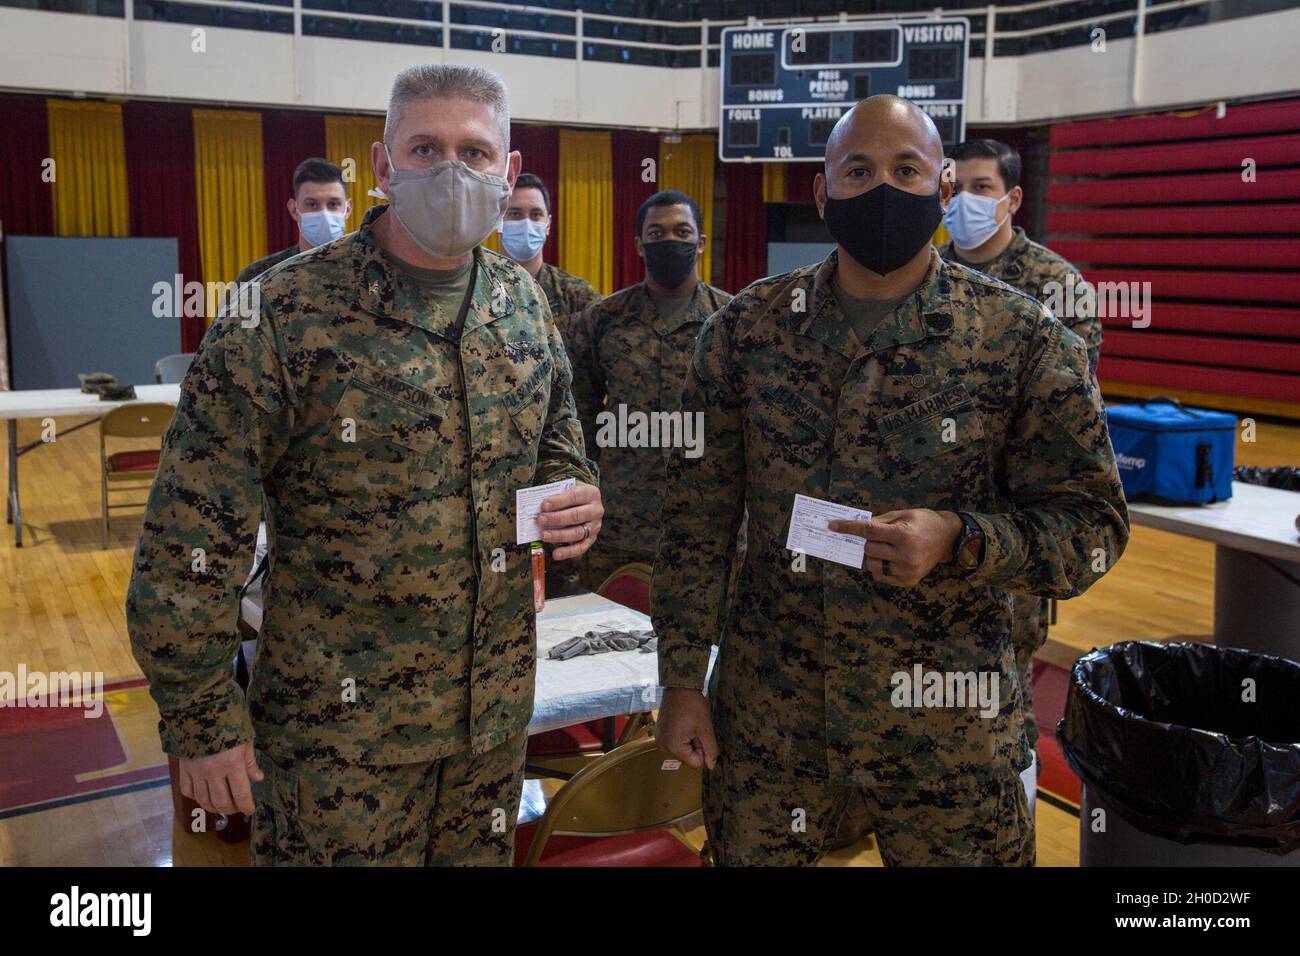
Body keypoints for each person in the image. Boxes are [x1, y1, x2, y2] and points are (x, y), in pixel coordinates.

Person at [126, 64, 603, 866]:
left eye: (476, 153)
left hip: (488, 734)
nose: (453, 171)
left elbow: (558, 434)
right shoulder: (280, 316)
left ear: (508, 171)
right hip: (338, 749)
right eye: (425, 148)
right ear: (382, 167)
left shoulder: (522, 305)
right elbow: (189, 538)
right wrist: (204, 727)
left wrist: (574, 491)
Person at [651, 96, 1129, 866]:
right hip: (776, 721)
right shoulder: (745, 331)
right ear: (822, 191)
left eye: (906, 170)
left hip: (951, 731)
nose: (882, 189)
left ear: (942, 190)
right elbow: (695, 524)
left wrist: (961, 539)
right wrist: (680, 679)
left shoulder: (1024, 340)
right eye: (859, 170)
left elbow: (1094, 529)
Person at [939, 137, 1103, 768]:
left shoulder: (1055, 289)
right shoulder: (917, 274)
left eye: (982, 189)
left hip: (1006, 532)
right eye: (955, 188)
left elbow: (1064, 427)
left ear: (1012, 199)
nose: (965, 202)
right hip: (916, 525)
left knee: (995, 701)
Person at [565, 189, 731, 592]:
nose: (669, 241)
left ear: (701, 242)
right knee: (606, 643)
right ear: (639, 245)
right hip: (616, 529)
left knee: (706, 650)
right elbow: (576, 422)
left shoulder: (732, 320)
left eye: (681, 231)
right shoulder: (602, 320)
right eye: (656, 234)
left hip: (706, 529)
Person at [499, 172, 601, 336]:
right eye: (515, 213)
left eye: (536, 214)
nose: (526, 223)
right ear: (499, 221)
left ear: (548, 225)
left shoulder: (575, 295)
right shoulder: (477, 287)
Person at [236, 158, 352, 284]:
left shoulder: (370, 269)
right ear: (294, 209)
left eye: (333, 204)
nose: (324, 213)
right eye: (312, 204)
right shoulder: (256, 276)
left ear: (348, 209)